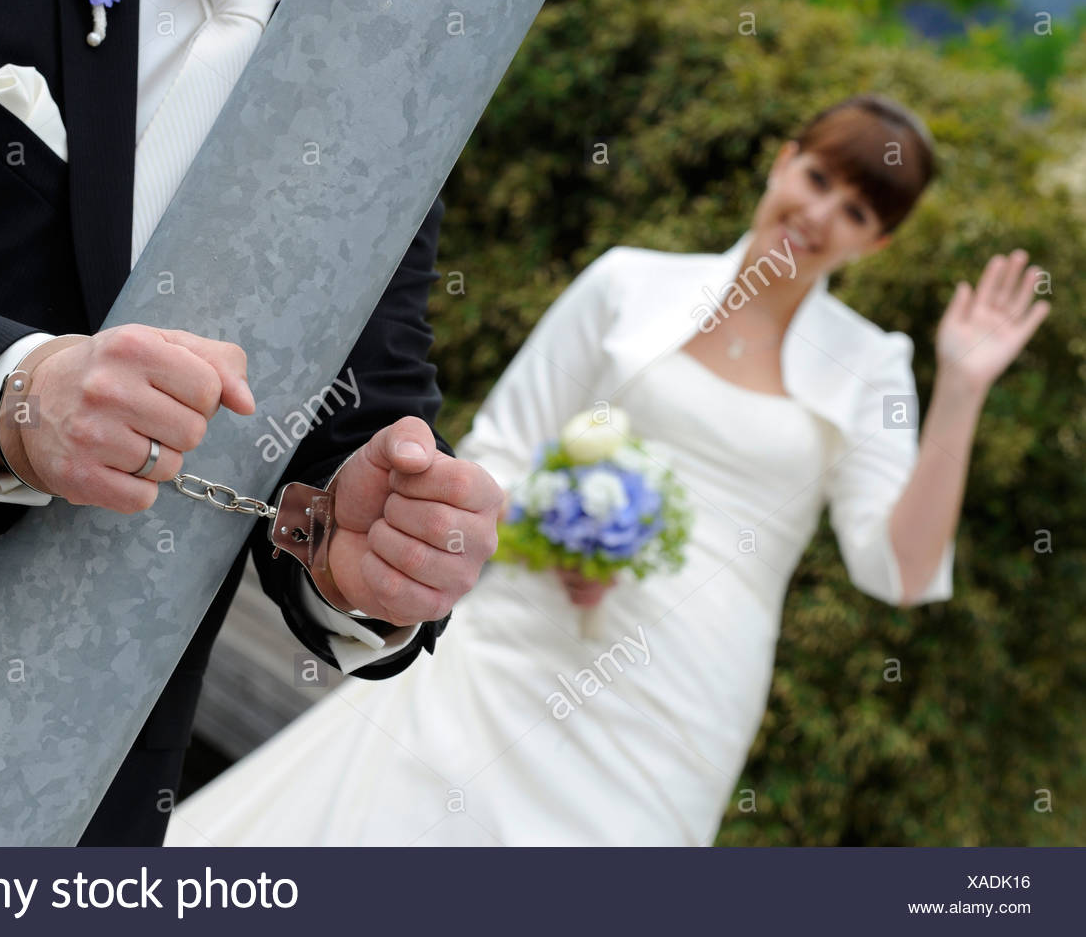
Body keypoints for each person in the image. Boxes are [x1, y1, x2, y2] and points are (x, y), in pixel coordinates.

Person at [165, 95, 1051, 846]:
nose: (821, 216)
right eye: (818, 179)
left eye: (857, 212)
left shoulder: (873, 365)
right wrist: (553, 535)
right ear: (783, 162)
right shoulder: (629, 284)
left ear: (877, 244)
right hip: (520, 641)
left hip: (685, 700)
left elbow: (896, 569)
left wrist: (962, 388)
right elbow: (504, 448)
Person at [0, 0, 501, 846]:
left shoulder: (386, 76)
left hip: (81, 808)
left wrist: (376, 541)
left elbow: (360, 412)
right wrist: (12, 391)